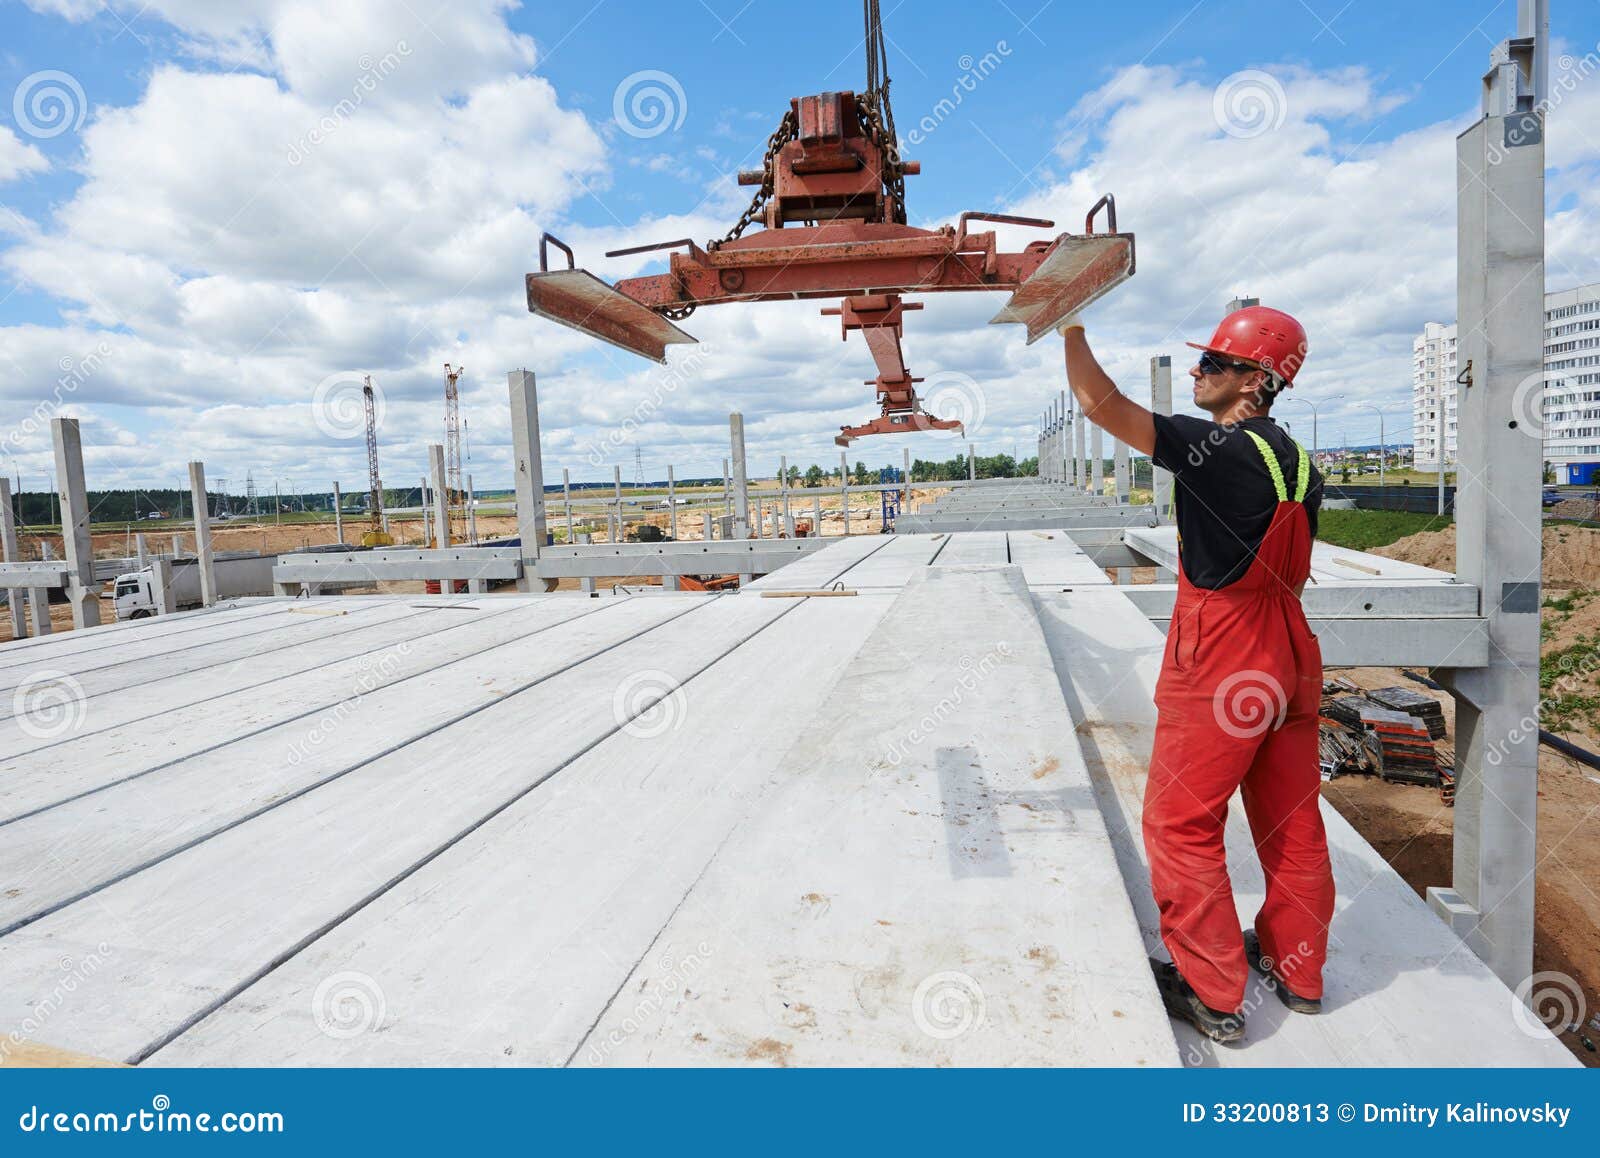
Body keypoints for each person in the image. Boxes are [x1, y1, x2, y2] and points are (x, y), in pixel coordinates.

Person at [1058, 304, 1334, 1043]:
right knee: (1291, 818)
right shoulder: (1300, 464)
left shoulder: (1215, 447)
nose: (1198, 372)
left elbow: (1100, 404)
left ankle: (1212, 991)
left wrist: (1069, 327)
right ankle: (1297, 968)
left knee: (1181, 825)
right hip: (1291, 656)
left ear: (1255, 378)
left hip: (1224, 660)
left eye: (1213, 363)